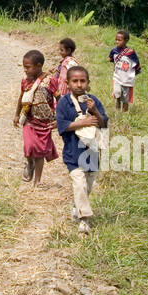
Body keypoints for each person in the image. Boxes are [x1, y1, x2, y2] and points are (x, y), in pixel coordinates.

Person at [55, 65, 108, 236]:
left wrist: (94, 111)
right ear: (68, 83)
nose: (79, 85)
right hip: (72, 154)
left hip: (91, 154)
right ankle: (84, 221)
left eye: (82, 81)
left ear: (88, 83)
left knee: (87, 187)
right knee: (79, 183)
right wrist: (82, 123)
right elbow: (62, 126)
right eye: (75, 81)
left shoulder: (94, 101)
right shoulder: (64, 103)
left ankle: (76, 207)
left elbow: (103, 124)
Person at [12, 49, 58, 186]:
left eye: (28, 67)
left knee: (39, 152)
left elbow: (60, 99)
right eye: (24, 67)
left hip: (45, 123)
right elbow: (21, 98)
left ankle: (37, 181)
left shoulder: (50, 81)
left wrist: (60, 118)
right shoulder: (25, 82)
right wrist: (16, 114)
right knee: (28, 147)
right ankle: (29, 163)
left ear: (39, 66)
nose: (25, 70)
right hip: (30, 120)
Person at [109, 30, 141, 112]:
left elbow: (137, 66)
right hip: (117, 77)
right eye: (116, 39)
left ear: (126, 40)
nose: (117, 42)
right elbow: (111, 59)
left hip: (127, 79)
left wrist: (131, 75)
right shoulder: (114, 51)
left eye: (119, 40)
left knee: (126, 98)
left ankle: (124, 113)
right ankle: (117, 104)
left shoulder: (131, 53)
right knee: (117, 92)